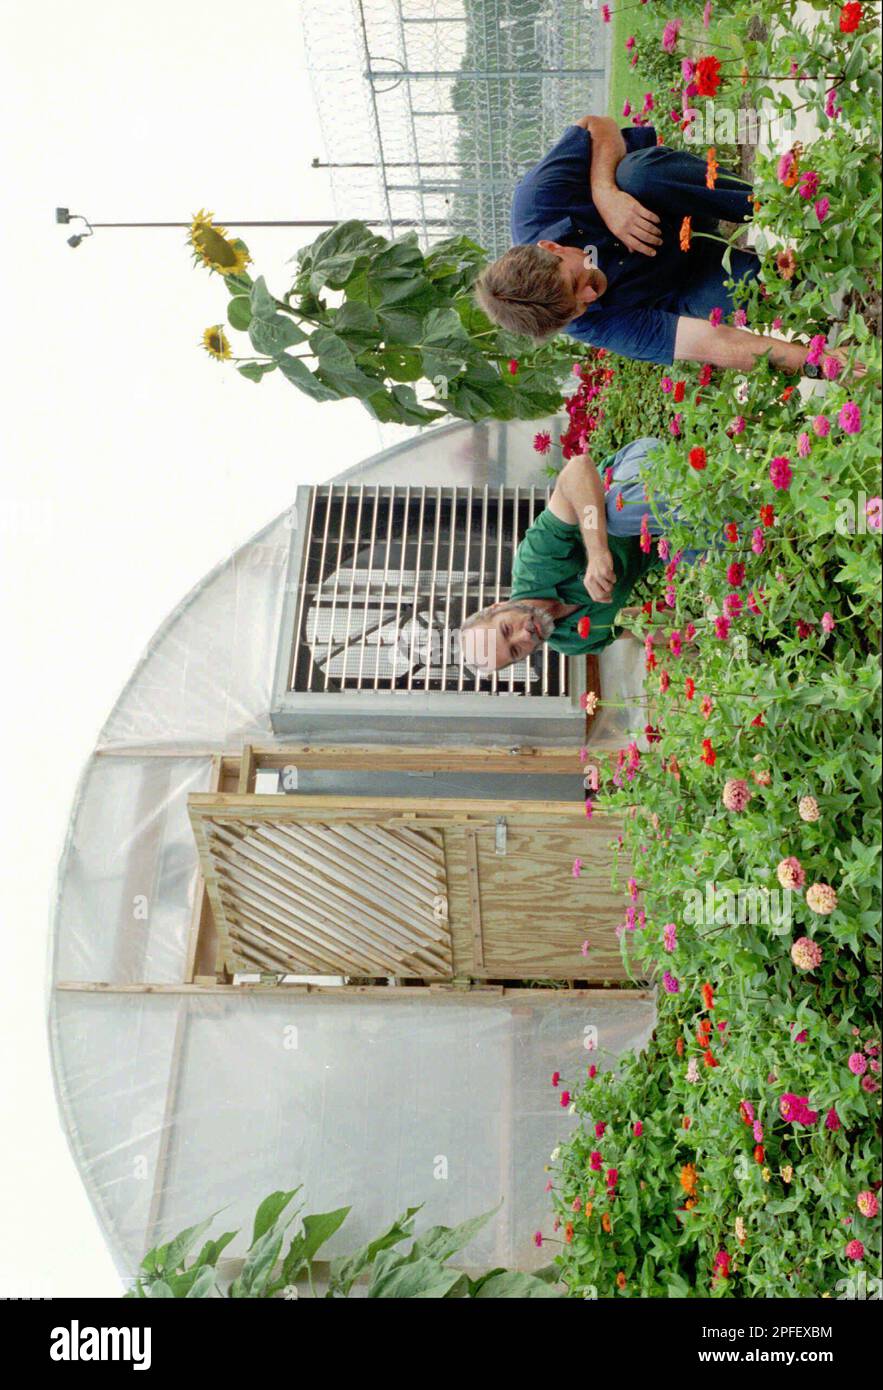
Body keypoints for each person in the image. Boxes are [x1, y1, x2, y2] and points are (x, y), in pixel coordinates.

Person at [473, 115, 852, 378]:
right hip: (690, 276)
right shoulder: (586, 324)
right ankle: (815, 275)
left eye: (577, 282)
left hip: (673, 198)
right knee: (741, 299)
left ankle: (787, 204)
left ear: (552, 247)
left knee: (637, 173)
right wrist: (817, 362)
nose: (591, 293)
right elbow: (711, 343)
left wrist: (605, 194)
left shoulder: (539, 200)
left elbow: (596, 126)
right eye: (579, 306)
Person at [459, 437, 701, 672]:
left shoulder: (534, 562)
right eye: (515, 651)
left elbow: (578, 468)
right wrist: (699, 634)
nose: (524, 635)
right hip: (667, 544)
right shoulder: (571, 641)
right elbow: (637, 625)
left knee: (616, 518)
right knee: (709, 557)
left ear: (498, 607)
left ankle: (709, 501)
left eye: (506, 630)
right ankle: (717, 511)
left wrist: (597, 552)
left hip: (640, 476)